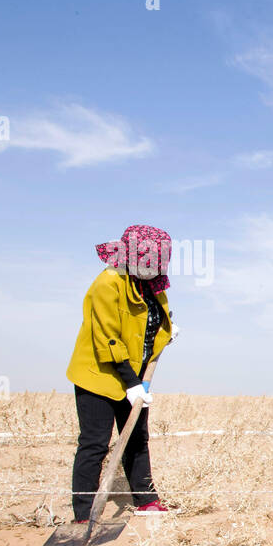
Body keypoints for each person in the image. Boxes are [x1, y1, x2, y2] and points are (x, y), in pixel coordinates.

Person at [66, 224, 178, 522]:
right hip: (100, 375)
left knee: (136, 439)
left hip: (137, 376)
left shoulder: (152, 285)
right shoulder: (107, 283)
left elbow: (154, 320)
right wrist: (130, 383)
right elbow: (108, 338)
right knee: (95, 443)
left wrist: (166, 331)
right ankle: (83, 513)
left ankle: (146, 501)